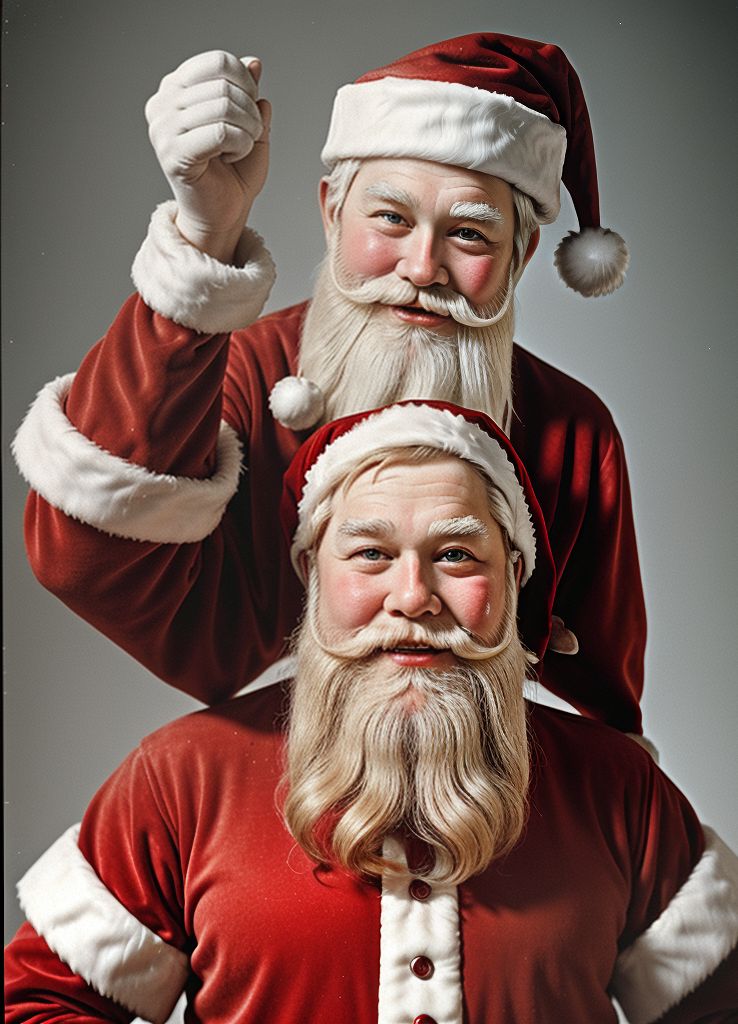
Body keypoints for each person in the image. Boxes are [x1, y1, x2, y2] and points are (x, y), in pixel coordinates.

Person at [5, 402, 738, 1022]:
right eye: (370, 554)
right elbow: (37, 1007)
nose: (412, 596)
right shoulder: (180, 777)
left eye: (458, 556)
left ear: (514, 578)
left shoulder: (617, 787)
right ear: (312, 573)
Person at [13, 33, 647, 737]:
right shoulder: (244, 374)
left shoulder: (571, 430)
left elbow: (598, 717)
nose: (421, 266)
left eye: (469, 234)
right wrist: (205, 236)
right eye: (392, 219)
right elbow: (88, 555)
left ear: (521, 256)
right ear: (330, 212)